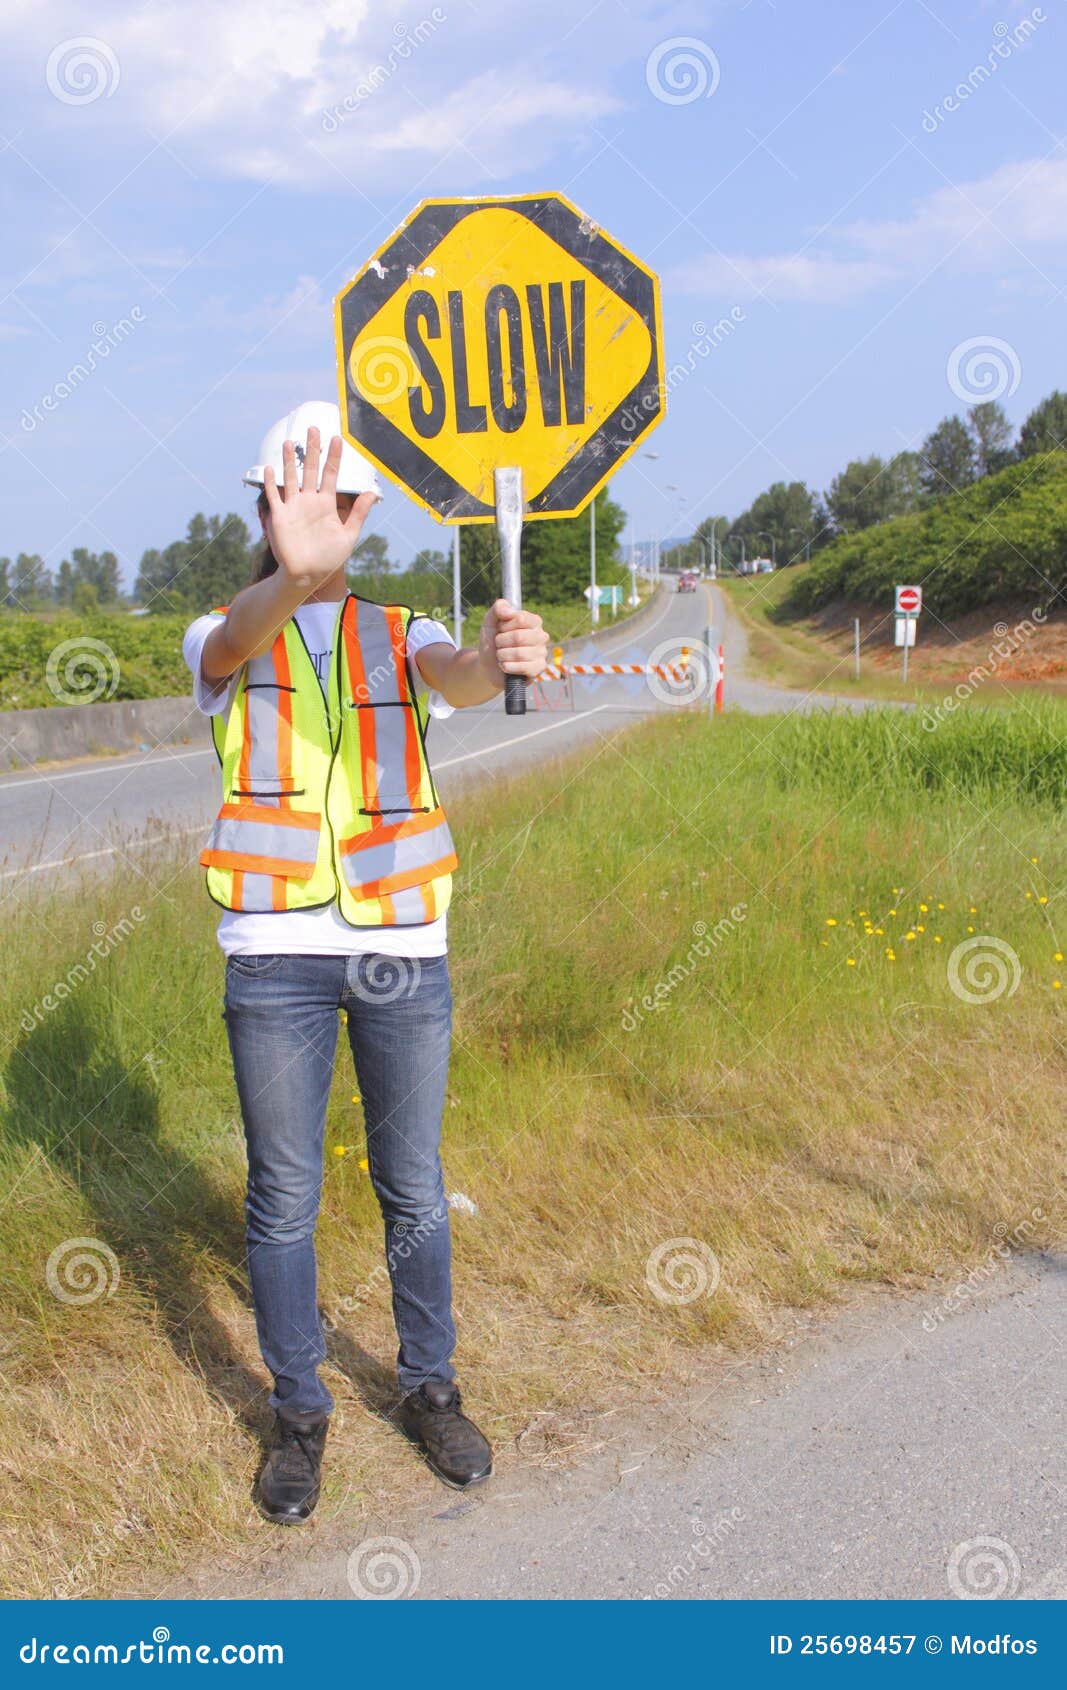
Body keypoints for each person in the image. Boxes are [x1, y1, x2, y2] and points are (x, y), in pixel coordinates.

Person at [182, 401, 547, 1524]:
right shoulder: (222, 630)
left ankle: (429, 1389)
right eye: (303, 500)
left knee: (412, 1183)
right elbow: (237, 641)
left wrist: (497, 656)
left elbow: (461, 676)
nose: (325, 519)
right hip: (276, 955)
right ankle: (298, 1412)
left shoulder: (402, 628)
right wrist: (292, 579)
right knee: (285, 1195)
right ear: (267, 505)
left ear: (365, 513)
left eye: (344, 503)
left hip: (400, 949)